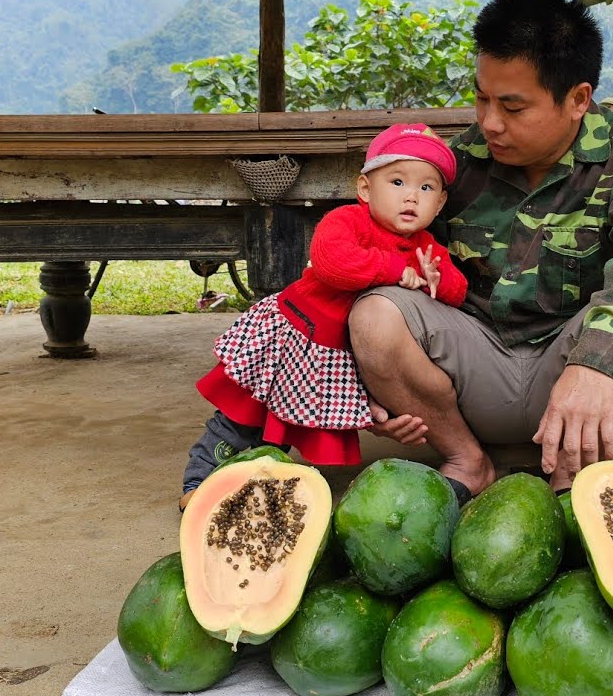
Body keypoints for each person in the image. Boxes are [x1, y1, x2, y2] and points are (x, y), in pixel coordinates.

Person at [349, 0, 613, 497]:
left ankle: (569, 479)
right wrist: (363, 386)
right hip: (472, 373)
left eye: (512, 107)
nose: (490, 122)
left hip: (572, 374)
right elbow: (374, 250)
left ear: (578, 99)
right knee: (373, 316)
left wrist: (595, 360)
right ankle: (466, 460)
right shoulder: (455, 164)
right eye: (482, 98)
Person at [178, 123, 467, 511]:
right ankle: (199, 481)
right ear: (365, 189)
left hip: (335, 354)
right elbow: (333, 263)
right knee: (244, 417)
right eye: (397, 182)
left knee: (280, 430)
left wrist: (437, 279)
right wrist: (395, 269)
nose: (411, 196)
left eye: (426, 188)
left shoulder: (425, 247)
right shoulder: (347, 220)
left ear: (440, 203)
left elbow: (458, 288)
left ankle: (253, 483)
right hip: (295, 334)